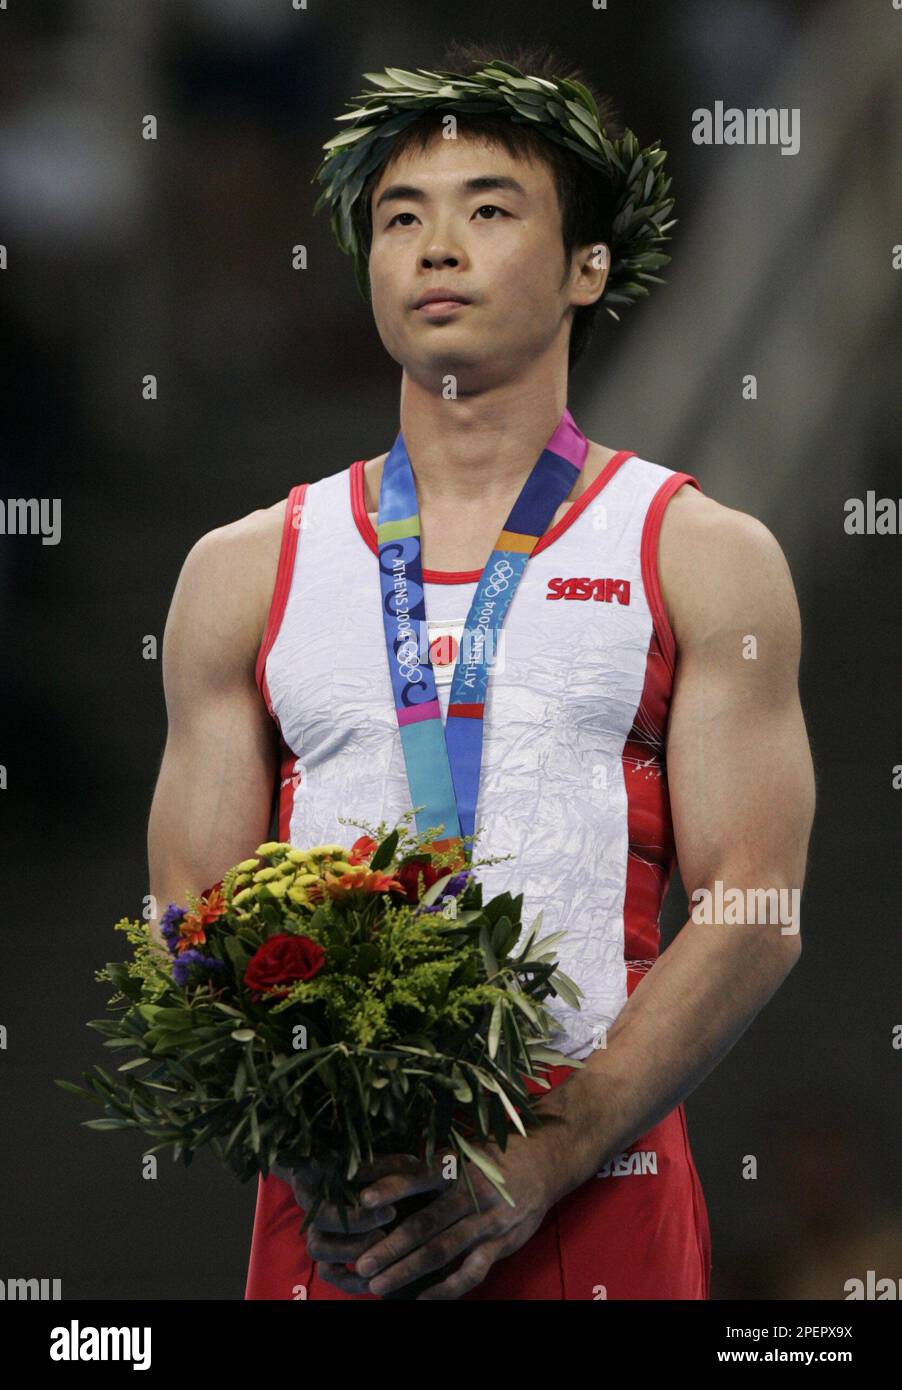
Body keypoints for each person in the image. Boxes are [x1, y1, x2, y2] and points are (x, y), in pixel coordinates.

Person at [148, 41, 815, 1300]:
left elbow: (753, 902)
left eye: (487, 211)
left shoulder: (698, 555)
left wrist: (551, 1150)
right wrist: (309, 1133)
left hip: (598, 1185)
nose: (435, 248)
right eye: (401, 219)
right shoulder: (242, 572)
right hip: (338, 1200)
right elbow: (190, 900)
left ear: (585, 268)